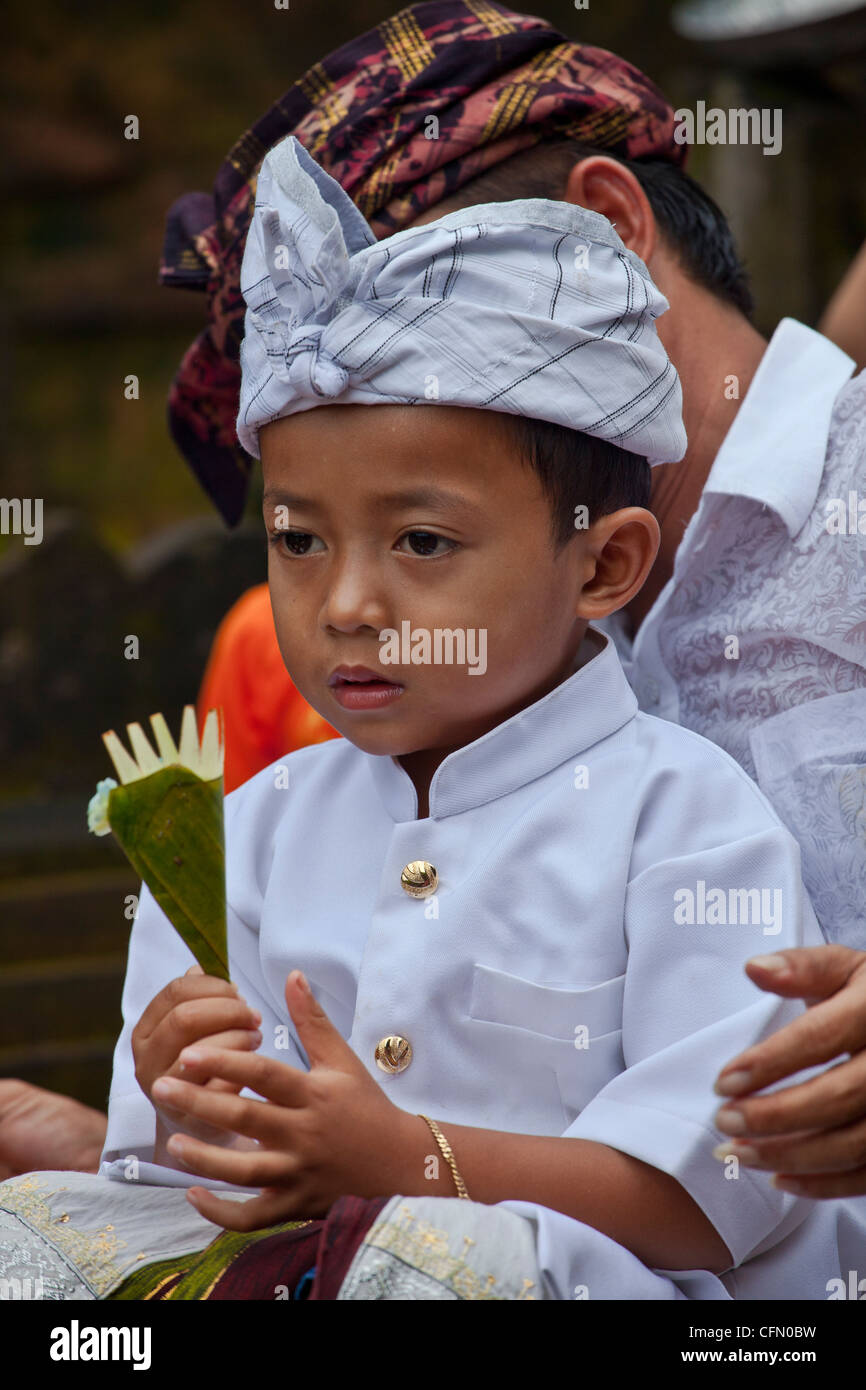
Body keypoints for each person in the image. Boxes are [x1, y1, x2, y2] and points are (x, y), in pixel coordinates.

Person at [3, 0, 865, 1200]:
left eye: (426, 304)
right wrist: (167, 1134)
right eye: (300, 532)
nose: (351, 598)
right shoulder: (423, 696)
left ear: (604, 233)